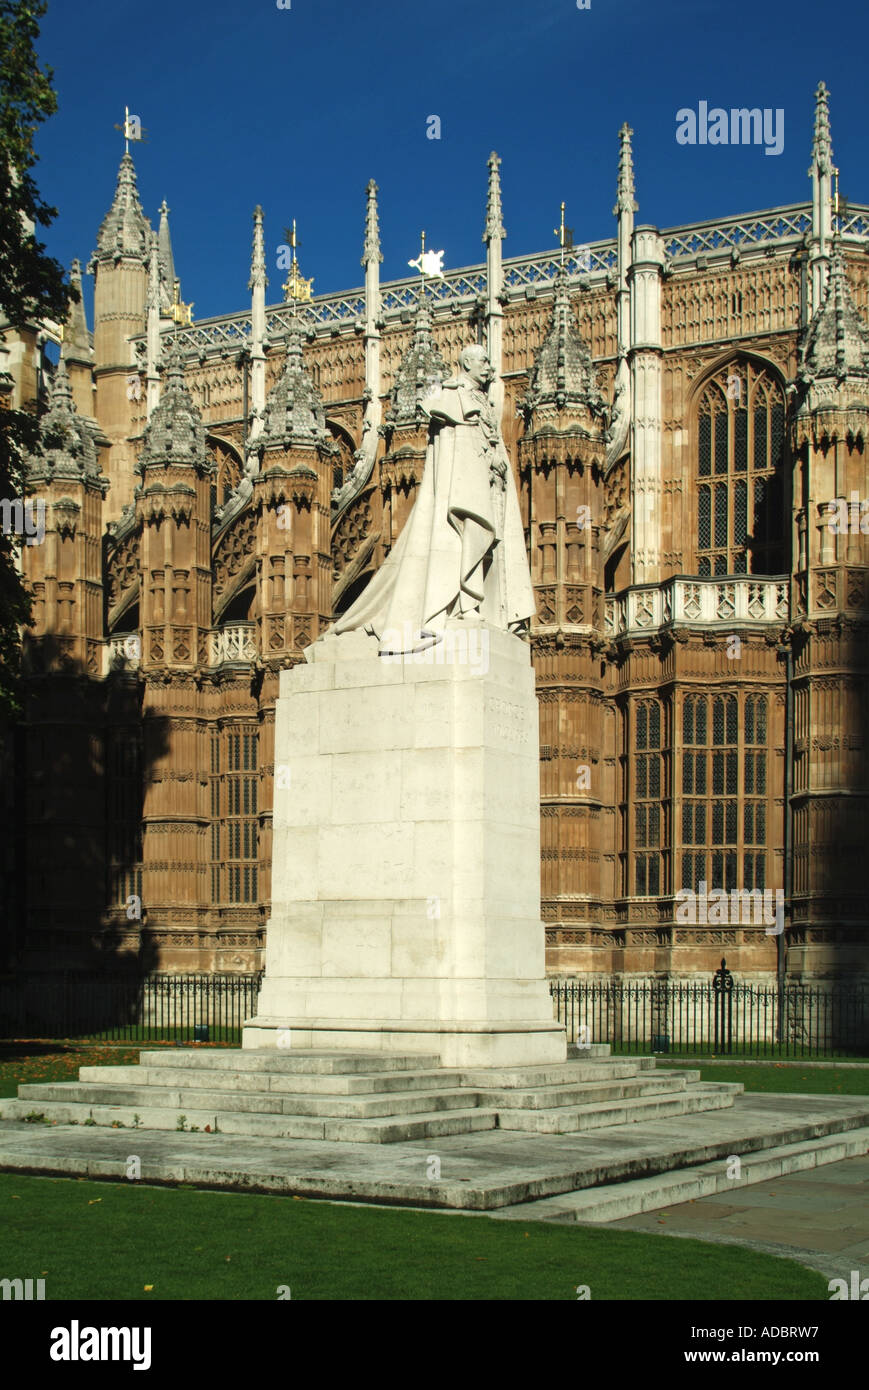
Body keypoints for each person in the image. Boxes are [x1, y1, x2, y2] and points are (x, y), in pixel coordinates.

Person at [332, 344, 534, 654]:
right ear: (466, 364)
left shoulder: (483, 399)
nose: (489, 367)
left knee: (486, 548)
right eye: (483, 361)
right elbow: (443, 425)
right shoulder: (451, 395)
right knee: (468, 542)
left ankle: (477, 606)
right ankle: (465, 606)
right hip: (465, 491)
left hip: (490, 487)